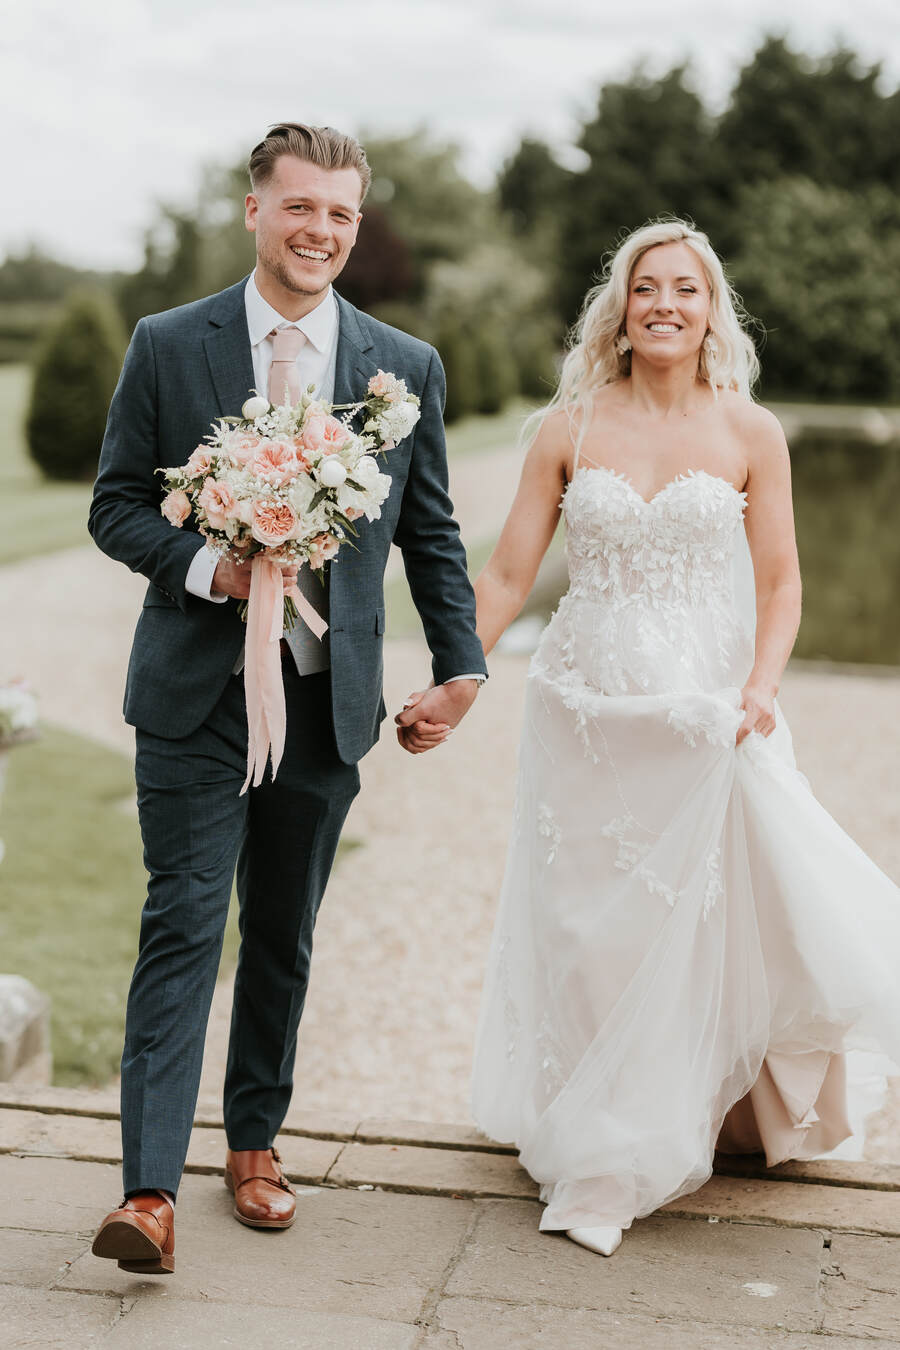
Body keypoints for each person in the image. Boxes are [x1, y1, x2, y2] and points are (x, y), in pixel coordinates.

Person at [88, 122, 486, 1275]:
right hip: (193, 695)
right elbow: (116, 504)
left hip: (325, 704)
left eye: (342, 215)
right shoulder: (169, 345)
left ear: (357, 227)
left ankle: (254, 1145)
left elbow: (433, 534)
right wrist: (208, 565)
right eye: (301, 207)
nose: (321, 231)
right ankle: (149, 1192)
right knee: (183, 925)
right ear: (254, 209)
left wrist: (459, 667)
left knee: (284, 936)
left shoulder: (401, 367)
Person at [466, 220, 900, 1257]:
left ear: (712, 312)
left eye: (686, 289)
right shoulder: (567, 427)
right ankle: (600, 1132)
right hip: (584, 710)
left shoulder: (753, 433)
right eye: (646, 287)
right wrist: (457, 677)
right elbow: (508, 577)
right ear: (620, 309)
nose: (665, 302)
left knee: (706, 922)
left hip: (707, 713)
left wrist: (760, 687)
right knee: (588, 929)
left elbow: (784, 583)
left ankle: (654, 1133)